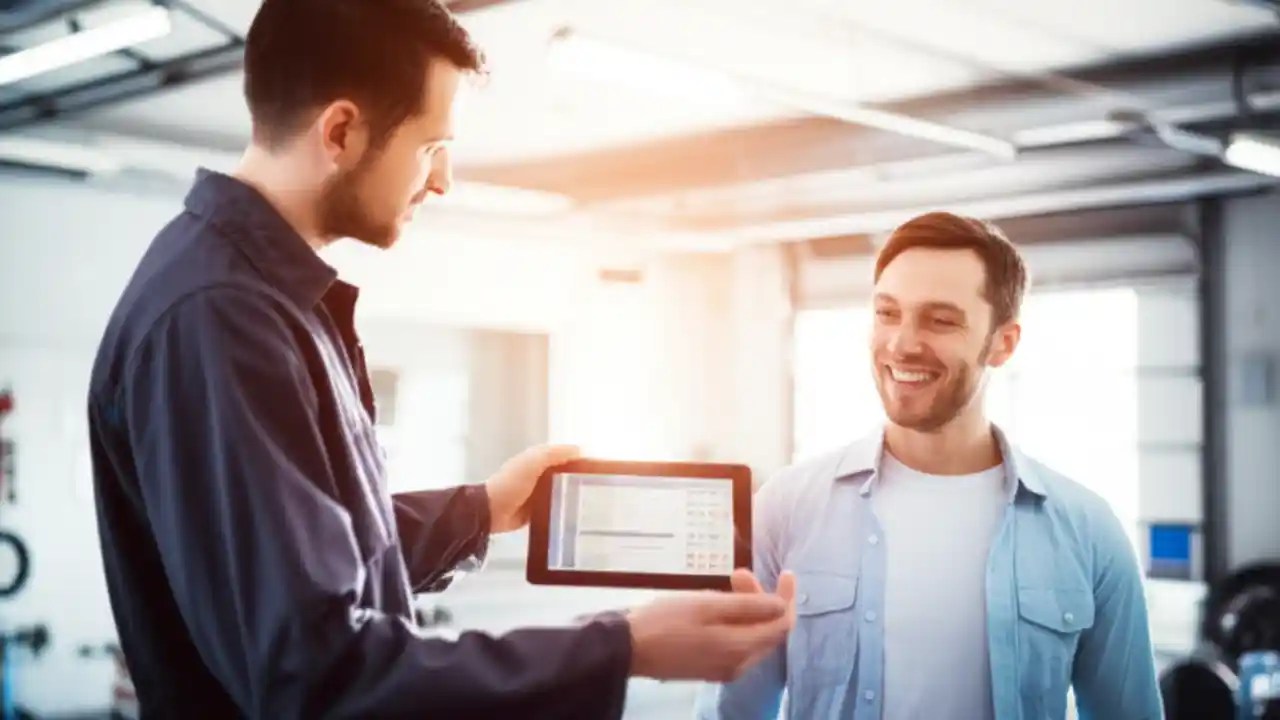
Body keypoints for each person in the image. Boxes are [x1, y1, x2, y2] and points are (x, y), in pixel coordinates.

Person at [87, 1, 794, 717]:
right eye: (430, 146)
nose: (443, 179)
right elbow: (317, 674)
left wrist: (479, 511)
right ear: (340, 131)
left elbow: (312, 559)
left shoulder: (263, 299)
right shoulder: (221, 317)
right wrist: (625, 646)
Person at [697, 212, 1163, 720]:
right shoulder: (785, 510)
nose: (901, 343)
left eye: (940, 320)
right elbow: (731, 714)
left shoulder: (1088, 532)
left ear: (1003, 343)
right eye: (887, 313)